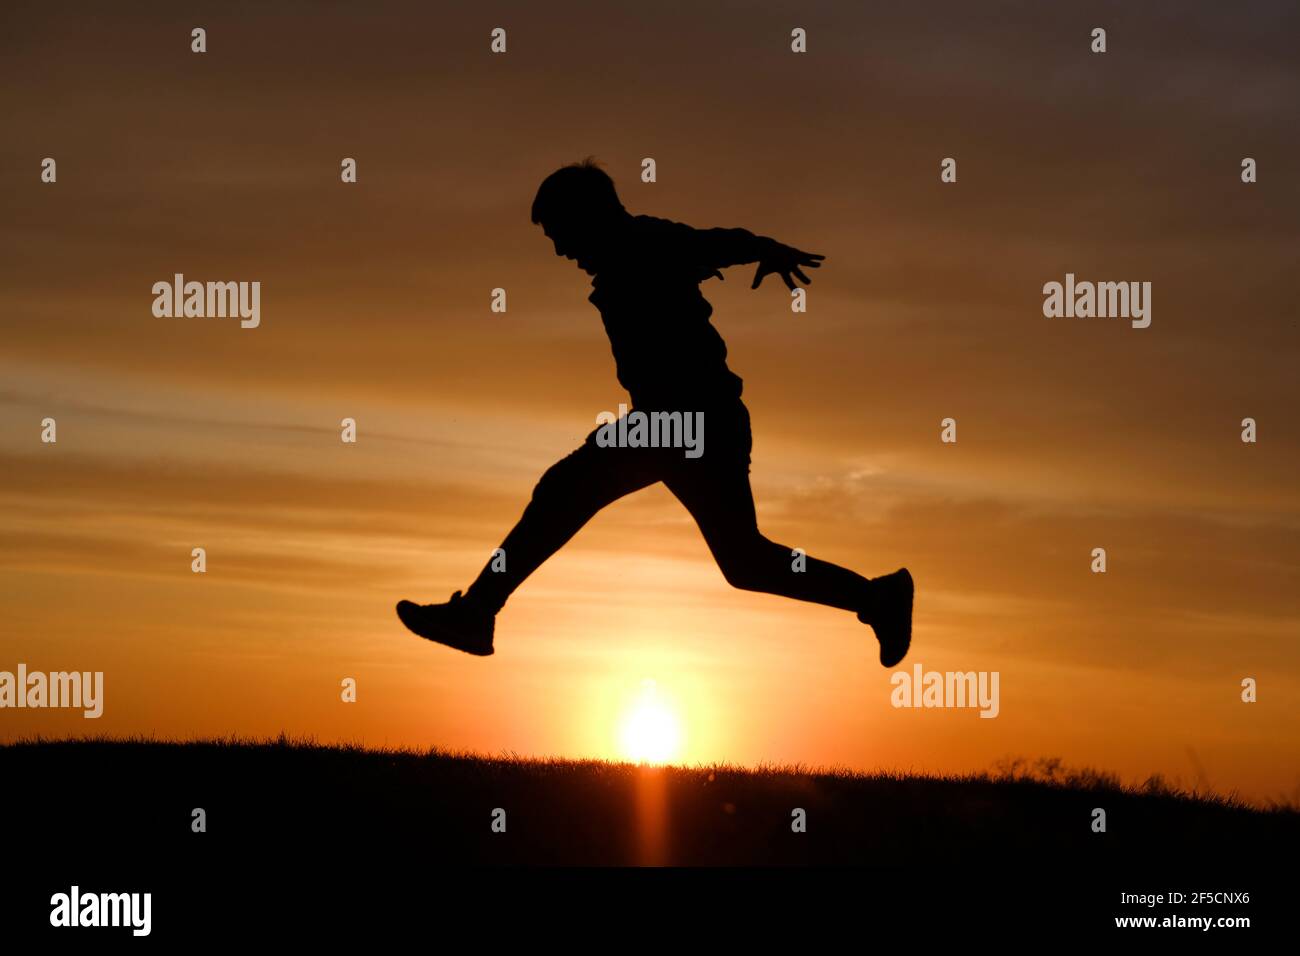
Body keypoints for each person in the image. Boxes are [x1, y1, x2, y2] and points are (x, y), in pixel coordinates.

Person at [397, 159, 913, 666]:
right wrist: (757, 247)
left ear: (589, 216)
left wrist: (763, 248)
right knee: (745, 562)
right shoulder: (637, 251)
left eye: (561, 232)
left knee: (563, 491)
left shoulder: (644, 243)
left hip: (686, 420)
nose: (559, 248)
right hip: (696, 422)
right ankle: (876, 598)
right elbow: (712, 244)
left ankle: (477, 613)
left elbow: (715, 241)